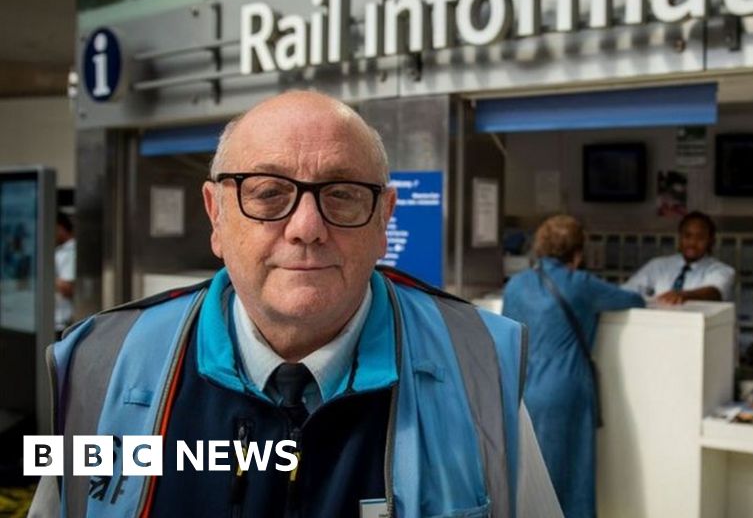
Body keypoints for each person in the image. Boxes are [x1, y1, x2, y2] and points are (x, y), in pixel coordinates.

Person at [30, 91, 561, 518]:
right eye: (267, 193)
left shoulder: (478, 363)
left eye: (343, 193)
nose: (307, 228)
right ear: (216, 214)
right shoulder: (97, 364)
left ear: (384, 218)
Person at [502, 215, 644, 518]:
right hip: (566, 390)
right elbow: (634, 299)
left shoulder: (516, 285)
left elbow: (508, 337)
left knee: (527, 477)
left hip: (523, 391)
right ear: (577, 254)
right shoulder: (581, 285)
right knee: (572, 478)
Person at [622, 210, 735, 304]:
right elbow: (628, 290)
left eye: (700, 238)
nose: (692, 243)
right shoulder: (658, 265)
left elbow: (714, 292)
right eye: (687, 236)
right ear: (680, 237)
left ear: (711, 241)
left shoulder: (722, 270)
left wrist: (683, 295)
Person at [54, 211, 76, 330]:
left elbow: (67, 288)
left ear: (60, 227)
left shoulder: (70, 251)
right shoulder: (60, 250)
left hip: (62, 321)